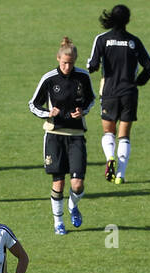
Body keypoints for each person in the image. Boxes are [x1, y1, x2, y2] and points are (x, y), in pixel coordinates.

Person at [28, 37, 96, 234]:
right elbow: (33, 104)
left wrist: (82, 111)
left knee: (78, 183)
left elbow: (91, 100)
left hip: (76, 135)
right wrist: (47, 113)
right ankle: (58, 222)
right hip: (54, 135)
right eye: (64, 62)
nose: (68, 66)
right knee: (59, 181)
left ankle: (73, 206)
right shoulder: (49, 79)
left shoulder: (82, 77)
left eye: (71, 63)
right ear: (58, 58)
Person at [87, 4, 150, 184]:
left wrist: (90, 67)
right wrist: (138, 82)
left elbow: (92, 65)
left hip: (109, 92)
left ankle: (110, 157)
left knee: (108, 132)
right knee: (124, 135)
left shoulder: (102, 39)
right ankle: (121, 175)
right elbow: (149, 67)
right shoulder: (134, 41)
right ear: (128, 20)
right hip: (129, 94)